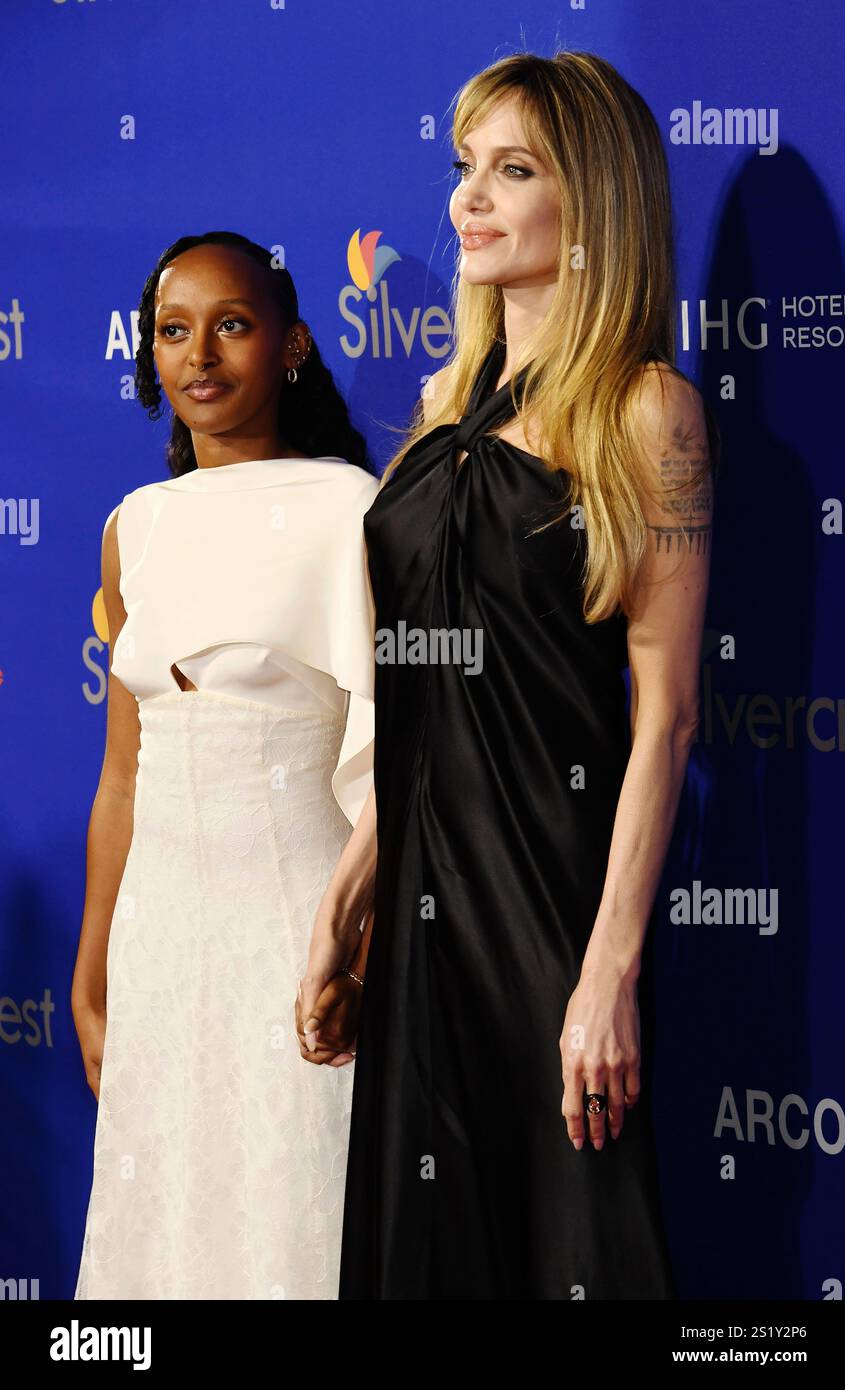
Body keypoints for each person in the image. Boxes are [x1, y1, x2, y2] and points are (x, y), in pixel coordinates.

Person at [297, 51, 720, 1299]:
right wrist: (344, 907)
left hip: (548, 918)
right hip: (422, 933)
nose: (466, 201)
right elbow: (426, 707)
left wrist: (605, 975)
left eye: (513, 170)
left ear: (589, 203)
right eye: (463, 167)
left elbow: (666, 718)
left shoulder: (648, 417)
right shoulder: (437, 413)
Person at [72, 232, 379, 1300]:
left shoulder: (350, 509)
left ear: (291, 343)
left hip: (298, 933)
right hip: (161, 944)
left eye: (232, 325)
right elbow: (124, 779)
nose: (198, 354)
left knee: (295, 1224)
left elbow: (388, 767)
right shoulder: (134, 527)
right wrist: (91, 963)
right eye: (172, 330)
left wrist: (358, 944)